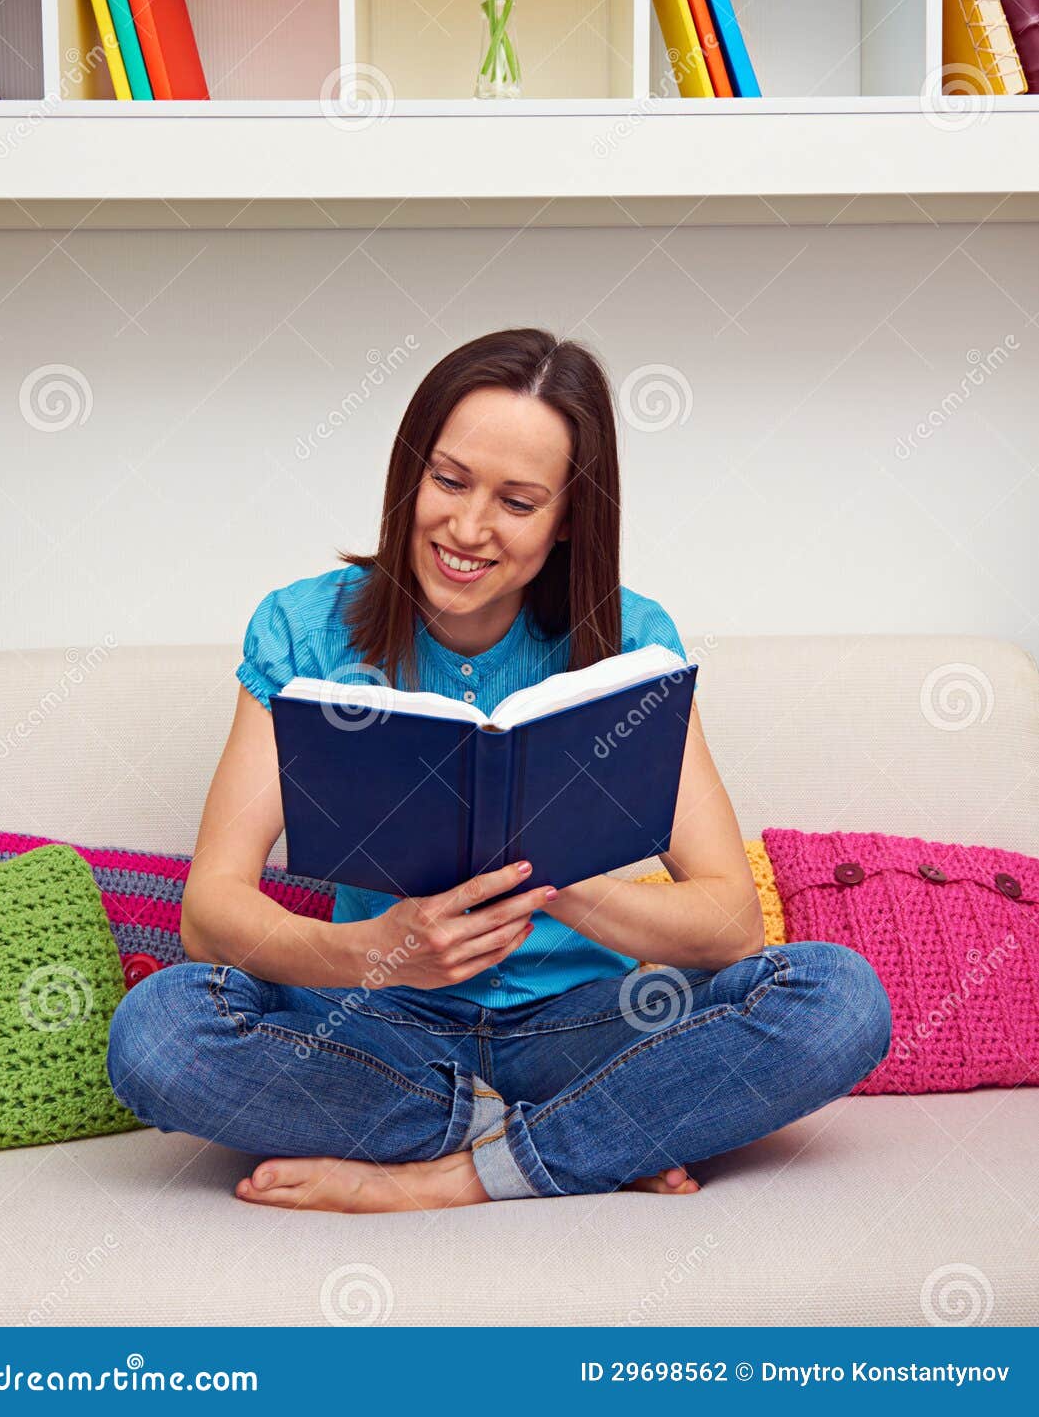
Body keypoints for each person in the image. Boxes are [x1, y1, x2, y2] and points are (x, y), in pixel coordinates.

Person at [106, 327, 892, 1212]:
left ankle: (460, 1174)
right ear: (410, 476)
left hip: (588, 1024)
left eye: (517, 503)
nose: (467, 528)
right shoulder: (304, 632)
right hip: (378, 1032)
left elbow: (727, 927)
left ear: (565, 523)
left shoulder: (632, 644)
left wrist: (549, 881)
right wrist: (376, 952)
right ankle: (592, 1133)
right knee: (159, 1035)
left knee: (839, 999)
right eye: (448, 481)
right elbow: (212, 913)